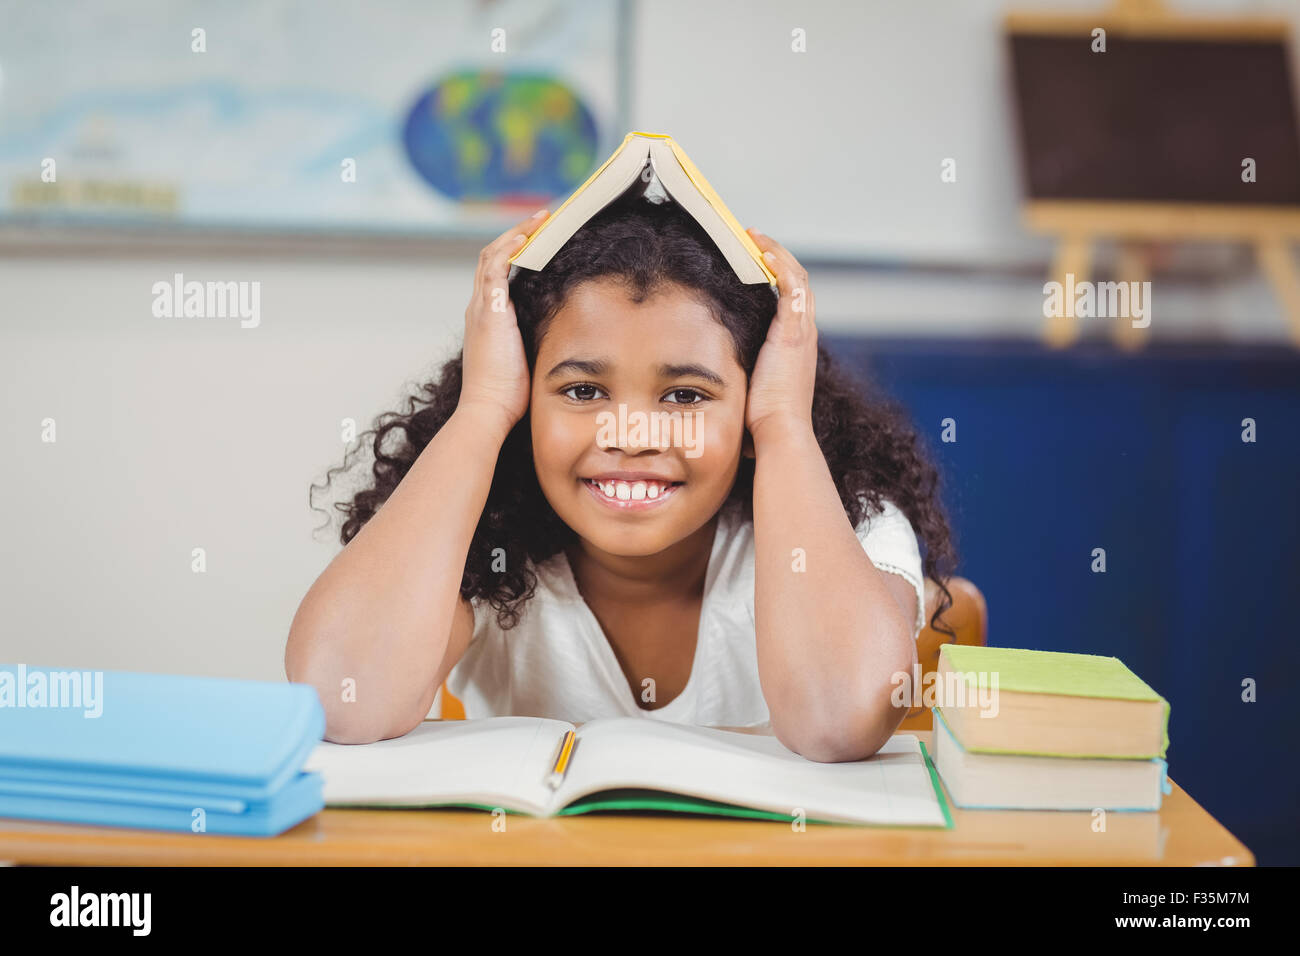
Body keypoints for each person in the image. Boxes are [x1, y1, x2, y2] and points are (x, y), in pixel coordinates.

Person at [286, 184, 956, 762]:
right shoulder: (487, 535)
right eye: (583, 392)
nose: (630, 435)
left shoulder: (848, 518)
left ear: (750, 405)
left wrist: (784, 422)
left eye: (686, 396)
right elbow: (341, 700)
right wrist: (483, 409)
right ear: (527, 401)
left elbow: (837, 719)